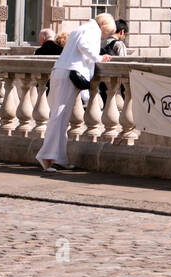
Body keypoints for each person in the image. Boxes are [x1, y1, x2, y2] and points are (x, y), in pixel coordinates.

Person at [37, 13, 116, 171]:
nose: (103, 37)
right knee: (59, 117)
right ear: (104, 27)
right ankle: (46, 157)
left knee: (60, 116)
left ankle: (58, 158)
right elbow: (83, 45)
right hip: (70, 73)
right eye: (105, 34)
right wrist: (98, 58)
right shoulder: (92, 30)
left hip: (61, 71)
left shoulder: (81, 28)